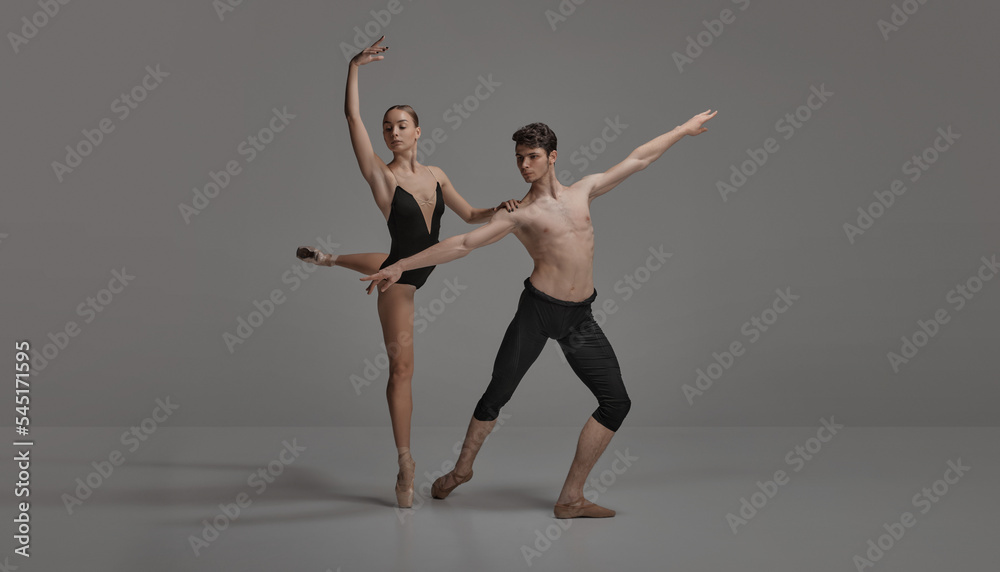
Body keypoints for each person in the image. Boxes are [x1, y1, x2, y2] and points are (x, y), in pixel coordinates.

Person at [361, 110, 717, 517]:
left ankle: (571, 498)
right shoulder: (518, 213)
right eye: (519, 158)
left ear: (552, 157)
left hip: (579, 316)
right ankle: (461, 472)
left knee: (616, 402)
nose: (524, 165)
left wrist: (681, 130)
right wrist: (400, 265)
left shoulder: (583, 191)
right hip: (537, 312)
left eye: (532, 156)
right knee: (497, 394)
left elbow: (638, 159)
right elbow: (462, 244)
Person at [296, 36, 519, 509]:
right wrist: (353, 66)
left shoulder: (437, 175)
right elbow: (351, 119)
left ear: (418, 131)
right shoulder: (383, 177)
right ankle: (405, 462)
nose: (393, 133)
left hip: (410, 263)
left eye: (401, 126)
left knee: (385, 259)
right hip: (399, 278)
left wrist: (497, 207)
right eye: (387, 128)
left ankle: (329, 259)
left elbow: (471, 215)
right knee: (401, 369)